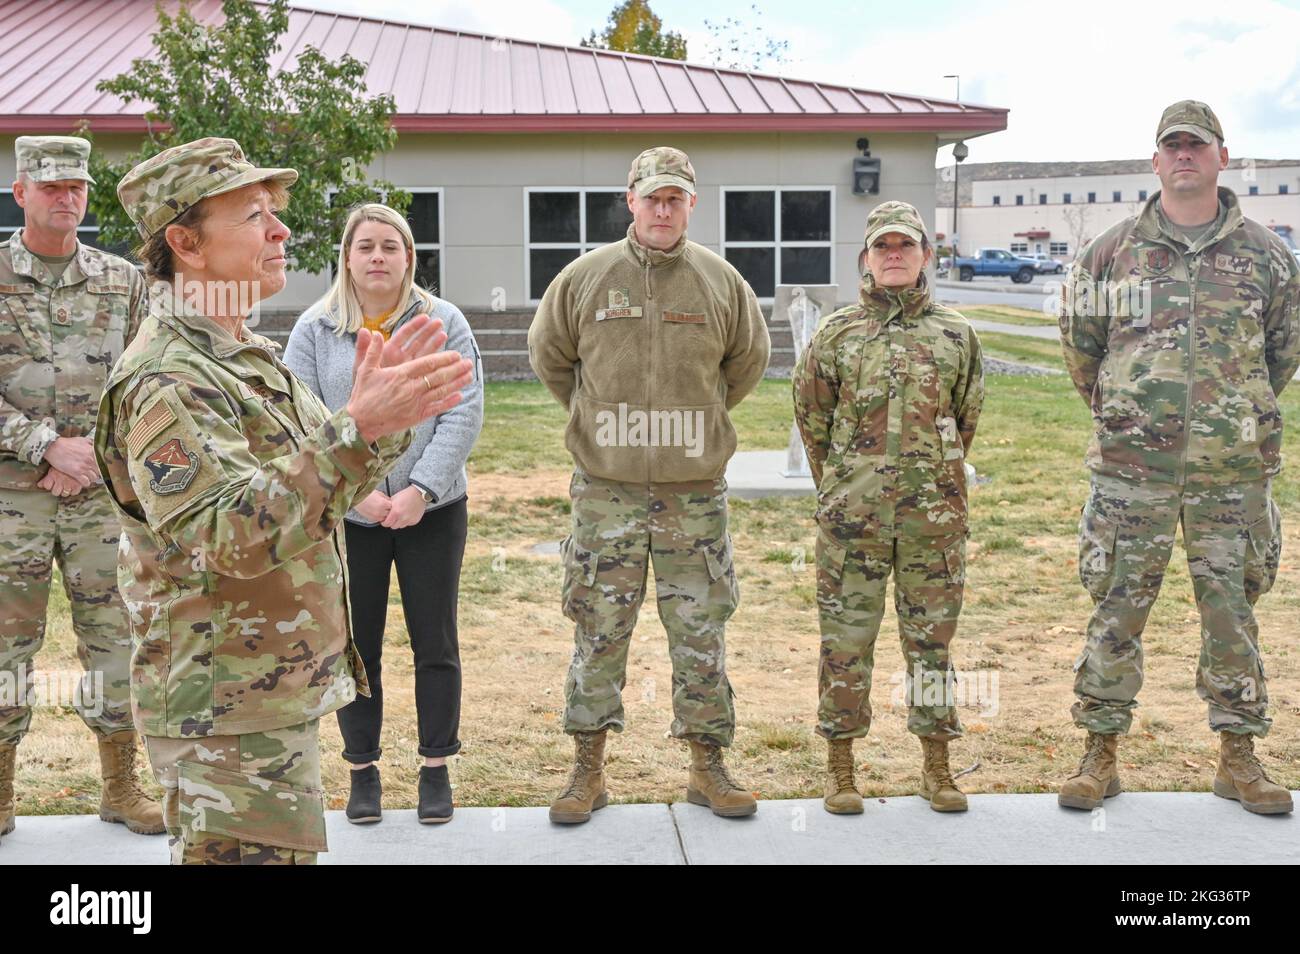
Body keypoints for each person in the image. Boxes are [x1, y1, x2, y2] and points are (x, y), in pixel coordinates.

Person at [94, 137, 473, 864]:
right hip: (221, 709)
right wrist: (358, 429)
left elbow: (315, 486)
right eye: (254, 216)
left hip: (264, 692)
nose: (282, 230)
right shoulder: (169, 377)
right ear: (185, 243)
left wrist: (378, 427)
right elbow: (224, 535)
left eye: (274, 211)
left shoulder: (243, 354)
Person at [1058, 101, 1300, 815]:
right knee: (1116, 610)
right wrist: (1129, 414)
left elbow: (1282, 352)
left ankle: (1238, 755)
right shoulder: (1110, 253)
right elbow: (1082, 349)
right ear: (1156, 160)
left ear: (1223, 156)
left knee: (1232, 615)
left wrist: (1233, 414)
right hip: (1132, 473)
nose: (1185, 155)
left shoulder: (1267, 255)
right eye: (1173, 146)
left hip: (1231, 474)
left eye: (1198, 144)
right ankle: (1100, 752)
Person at [528, 146, 770, 823]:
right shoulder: (585, 278)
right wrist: (598, 421)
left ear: (691, 204)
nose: (663, 210)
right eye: (652, 198)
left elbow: (747, 363)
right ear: (630, 200)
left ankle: (707, 766)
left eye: (675, 199)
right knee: (598, 629)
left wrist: (697, 422)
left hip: (694, 495)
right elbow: (550, 356)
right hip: (607, 494)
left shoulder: (722, 283)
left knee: (700, 631)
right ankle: (587, 769)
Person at [285, 203, 483, 825]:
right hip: (350, 516)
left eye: (390, 246)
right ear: (346, 257)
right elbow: (299, 416)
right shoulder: (315, 330)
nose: (377, 257)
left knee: (435, 639)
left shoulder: (444, 321)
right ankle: (362, 772)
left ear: (409, 258)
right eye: (365, 246)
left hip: (433, 510)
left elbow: (464, 408)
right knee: (356, 643)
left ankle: (435, 768)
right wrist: (353, 491)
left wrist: (422, 488)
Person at [793, 200, 984, 815]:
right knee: (845, 642)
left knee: (931, 644)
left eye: (905, 245)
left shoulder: (956, 335)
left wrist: (936, 482)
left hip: (933, 521)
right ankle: (841, 768)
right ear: (866, 258)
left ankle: (937, 766)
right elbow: (812, 420)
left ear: (926, 255)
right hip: (854, 521)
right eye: (883, 246)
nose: (894, 255)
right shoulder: (837, 334)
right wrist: (843, 484)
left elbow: (966, 419)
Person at [0, 136, 159, 845]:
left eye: (78, 187)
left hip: (99, 494)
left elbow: (146, 379)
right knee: (5, 648)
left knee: (116, 638)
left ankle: (121, 786)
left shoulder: (123, 281)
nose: (68, 198)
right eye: (52, 187)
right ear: (21, 193)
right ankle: (0, 792)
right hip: (12, 498)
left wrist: (86, 455)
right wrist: (43, 445)